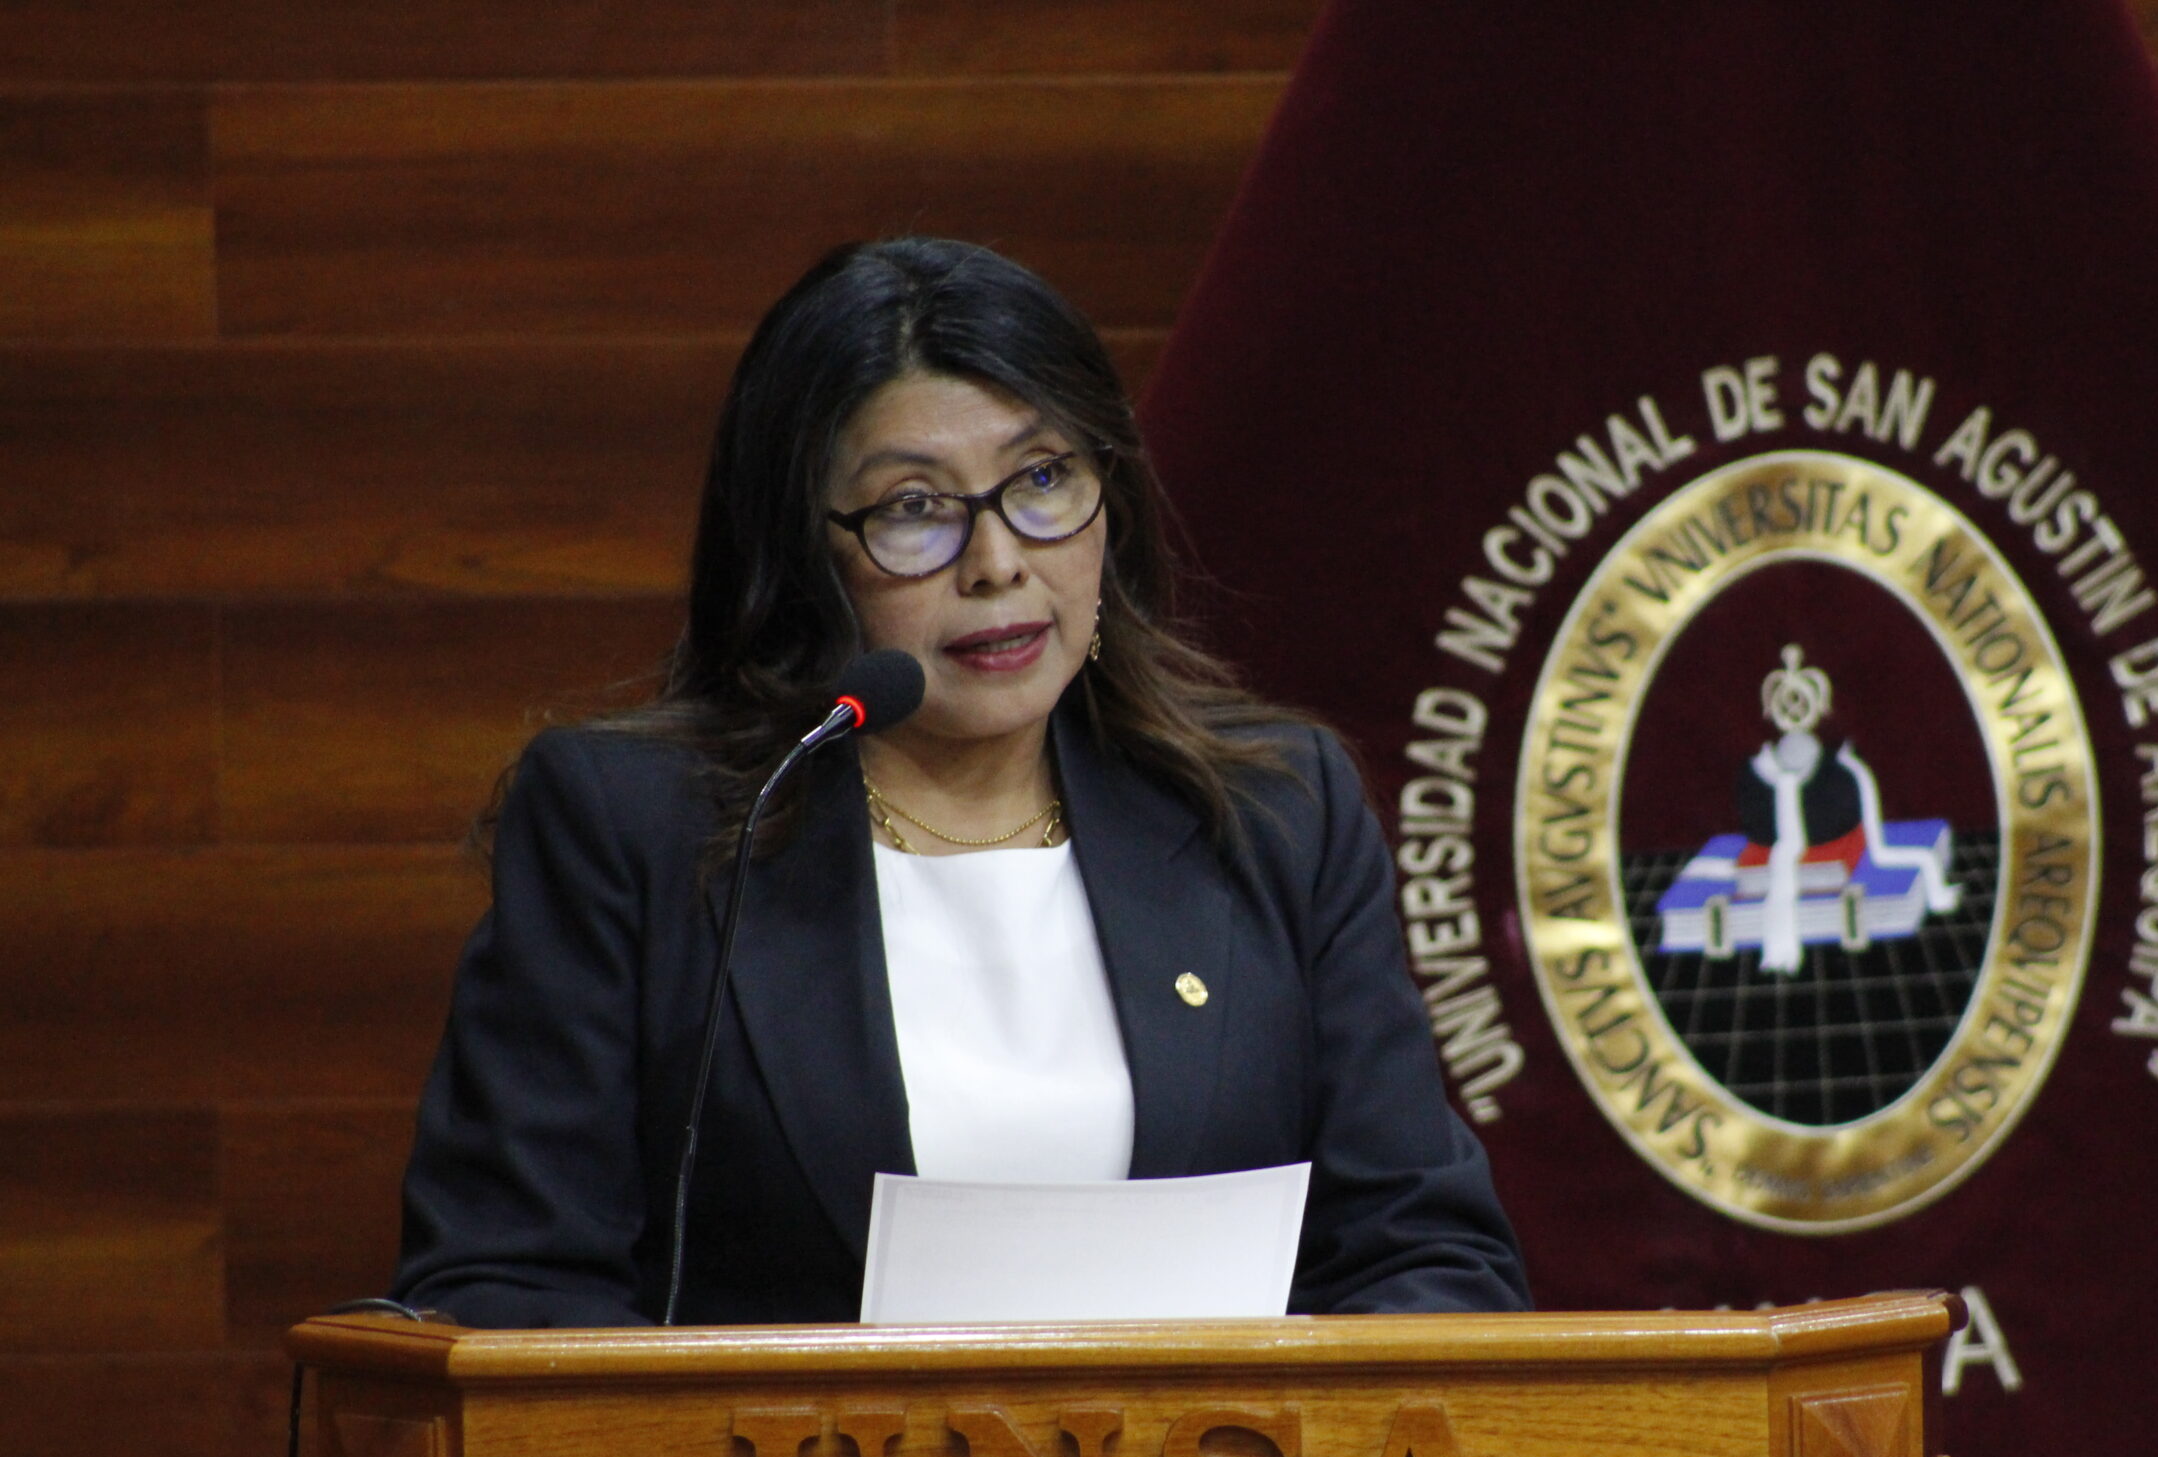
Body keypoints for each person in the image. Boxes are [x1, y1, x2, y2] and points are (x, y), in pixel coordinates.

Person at [392, 237, 1531, 1327]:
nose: (997, 564)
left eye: (1041, 478)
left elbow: (1426, 1257)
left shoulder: (1274, 812)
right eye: (913, 509)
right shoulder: (634, 830)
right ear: (801, 546)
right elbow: (510, 1283)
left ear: (1109, 500)